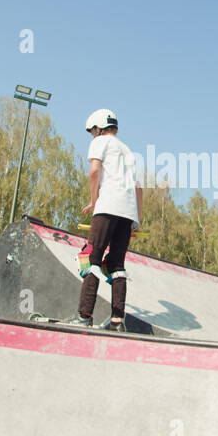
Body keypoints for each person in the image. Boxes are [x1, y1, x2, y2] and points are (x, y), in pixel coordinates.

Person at [63, 109, 142, 331]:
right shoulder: (127, 150)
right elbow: (138, 188)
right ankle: (117, 321)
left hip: (108, 205)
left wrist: (94, 199)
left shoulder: (101, 142)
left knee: (90, 258)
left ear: (98, 128)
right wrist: (137, 219)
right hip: (127, 213)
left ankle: (84, 316)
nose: (92, 136)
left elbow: (94, 171)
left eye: (92, 132)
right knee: (116, 265)